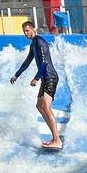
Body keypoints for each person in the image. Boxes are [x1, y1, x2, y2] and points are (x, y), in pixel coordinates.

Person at [10, 20, 62, 150]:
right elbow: (27, 62)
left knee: (45, 105)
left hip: (50, 76)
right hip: (45, 78)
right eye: (24, 32)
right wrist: (16, 75)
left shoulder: (39, 41)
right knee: (39, 105)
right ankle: (54, 137)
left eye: (27, 30)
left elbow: (44, 63)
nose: (26, 33)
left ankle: (57, 140)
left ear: (33, 29)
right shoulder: (33, 44)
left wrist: (36, 78)